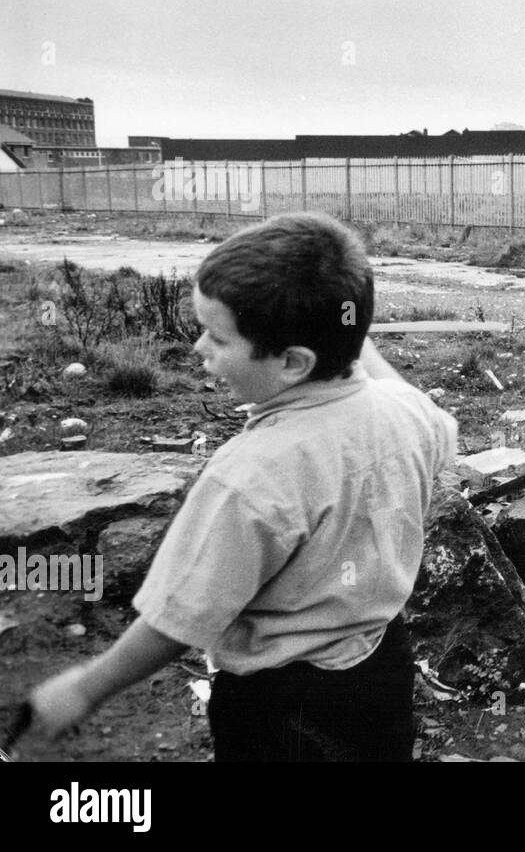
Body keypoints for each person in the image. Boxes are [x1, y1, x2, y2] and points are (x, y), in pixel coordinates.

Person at [26, 211, 456, 761]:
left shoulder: (249, 476)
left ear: (293, 362)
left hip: (277, 703)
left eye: (218, 336)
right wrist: (347, 330)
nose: (200, 347)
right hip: (380, 671)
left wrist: (86, 688)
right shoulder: (405, 413)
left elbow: (177, 620)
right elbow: (428, 418)